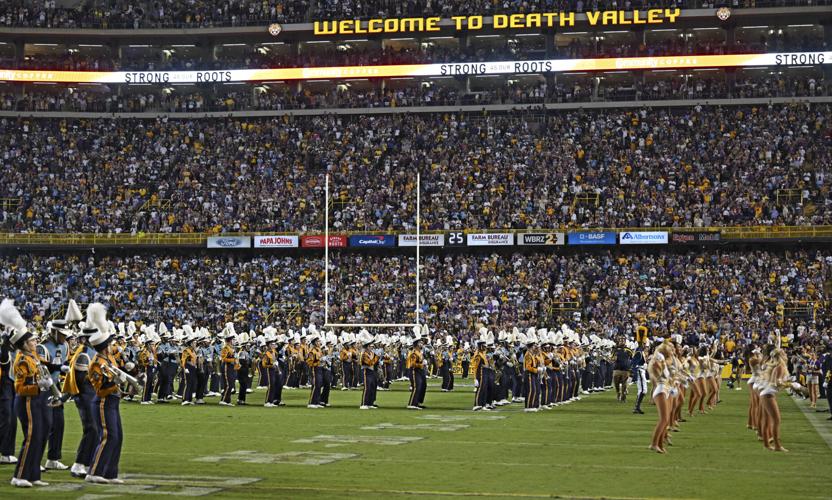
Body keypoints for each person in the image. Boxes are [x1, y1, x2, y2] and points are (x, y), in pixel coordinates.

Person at [1, 300, 50, 487]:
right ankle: (19, 476)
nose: (36, 342)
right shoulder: (22, 360)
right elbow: (20, 388)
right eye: (32, 341)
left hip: (36, 400)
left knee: (38, 436)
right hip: (27, 401)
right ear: (24, 343)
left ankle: (33, 475)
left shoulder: (33, 356)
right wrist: (39, 386)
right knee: (31, 437)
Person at [85, 303, 125, 484]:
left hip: (113, 400)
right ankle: (94, 472)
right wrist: (115, 382)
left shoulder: (108, 358)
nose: (112, 345)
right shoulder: (96, 363)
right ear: (103, 346)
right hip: (103, 401)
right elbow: (99, 387)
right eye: (109, 343)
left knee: (118, 436)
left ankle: (110, 473)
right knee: (108, 436)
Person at [63, 324, 98, 478]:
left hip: (91, 394)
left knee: (95, 429)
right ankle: (79, 464)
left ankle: (88, 462)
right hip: (85, 395)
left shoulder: (91, 351)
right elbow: (80, 379)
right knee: (91, 429)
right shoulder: (84, 353)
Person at [219, 327, 237, 407]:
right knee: (228, 384)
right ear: (230, 340)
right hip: (226, 366)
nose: (234, 341)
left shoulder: (231, 348)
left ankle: (227, 400)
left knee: (230, 384)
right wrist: (233, 359)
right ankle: (224, 400)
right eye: (233, 339)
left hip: (231, 367)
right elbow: (224, 358)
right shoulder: (225, 348)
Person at [407, 337, 426, 410]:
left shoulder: (419, 352)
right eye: (420, 343)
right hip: (415, 371)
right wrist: (421, 365)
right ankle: (412, 403)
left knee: (421, 386)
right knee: (416, 387)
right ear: (417, 344)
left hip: (420, 371)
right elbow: (412, 364)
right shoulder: (414, 353)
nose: (422, 344)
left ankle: (417, 402)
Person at [359, 338, 379, 410]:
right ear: (367, 347)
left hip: (372, 371)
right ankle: (364, 403)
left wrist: (374, 359)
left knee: (373, 387)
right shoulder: (364, 354)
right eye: (371, 346)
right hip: (366, 371)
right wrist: (375, 359)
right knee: (367, 387)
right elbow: (369, 363)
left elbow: (376, 360)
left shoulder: (372, 353)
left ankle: (370, 403)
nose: (372, 348)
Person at [180, 331, 198, 406]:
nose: (195, 344)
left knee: (191, 383)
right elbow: (183, 360)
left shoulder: (193, 351)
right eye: (194, 343)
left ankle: (189, 399)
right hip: (188, 367)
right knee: (187, 383)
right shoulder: (186, 350)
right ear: (190, 343)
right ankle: (184, 399)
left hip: (193, 368)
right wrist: (185, 368)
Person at [306, 333, 324, 409]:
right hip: (315, 368)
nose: (319, 342)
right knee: (316, 385)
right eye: (317, 341)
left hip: (319, 368)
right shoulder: (312, 351)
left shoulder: (319, 350)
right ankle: (311, 402)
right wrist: (318, 362)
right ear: (314, 342)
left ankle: (317, 401)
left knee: (319, 385)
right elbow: (309, 362)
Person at [612, 338, 632, 403]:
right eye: (621, 341)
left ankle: (623, 397)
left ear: (625, 342)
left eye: (623, 341)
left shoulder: (629, 350)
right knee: (616, 383)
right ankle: (618, 392)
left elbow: (633, 358)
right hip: (617, 368)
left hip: (626, 369)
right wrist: (613, 359)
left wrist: (631, 367)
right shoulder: (615, 350)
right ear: (619, 342)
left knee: (624, 384)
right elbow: (612, 358)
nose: (622, 342)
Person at [631, 344, 647, 414]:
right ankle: (637, 407)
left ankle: (637, 407)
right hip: (640, 371)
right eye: (644, 344)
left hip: (641, 371)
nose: (645, 345)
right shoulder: (639, 352)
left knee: (643, 390)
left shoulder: (640, 351)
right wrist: (634, 375)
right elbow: (634, 363)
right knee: (643, 390)